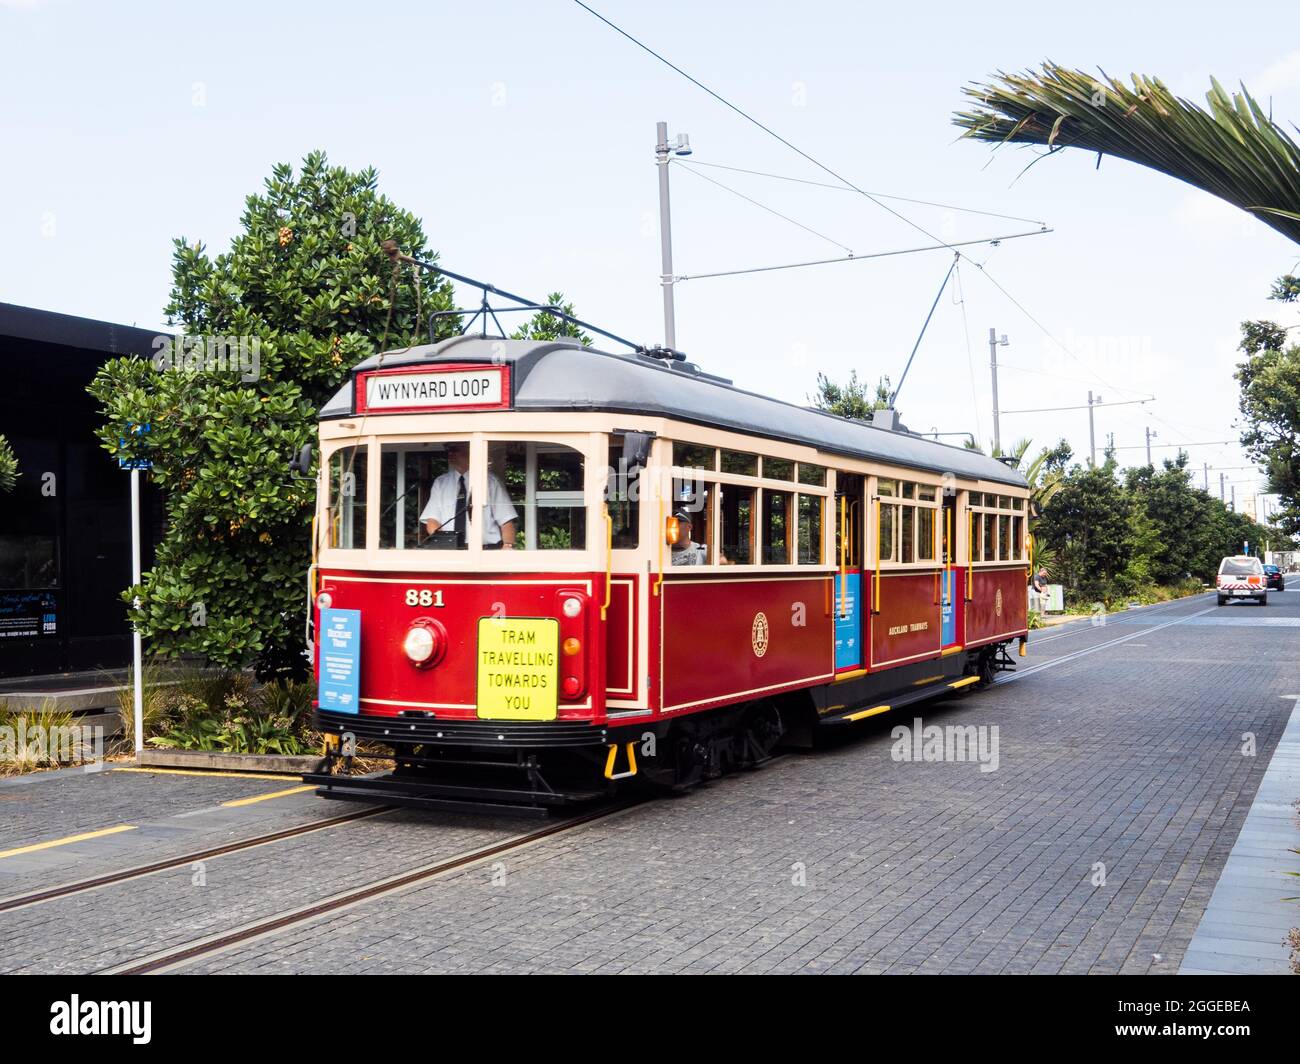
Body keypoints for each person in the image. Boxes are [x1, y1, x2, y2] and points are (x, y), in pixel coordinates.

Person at [420, 442, 518, 549]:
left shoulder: (490, 482)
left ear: (470, 450)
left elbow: (506, 521)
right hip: (450, 549)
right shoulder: (440, 483)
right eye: (448, 450)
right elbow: (432, 521)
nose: (450, 454)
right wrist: (445, 543)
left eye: (455, 449)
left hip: (485, 550)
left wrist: (507, 547)